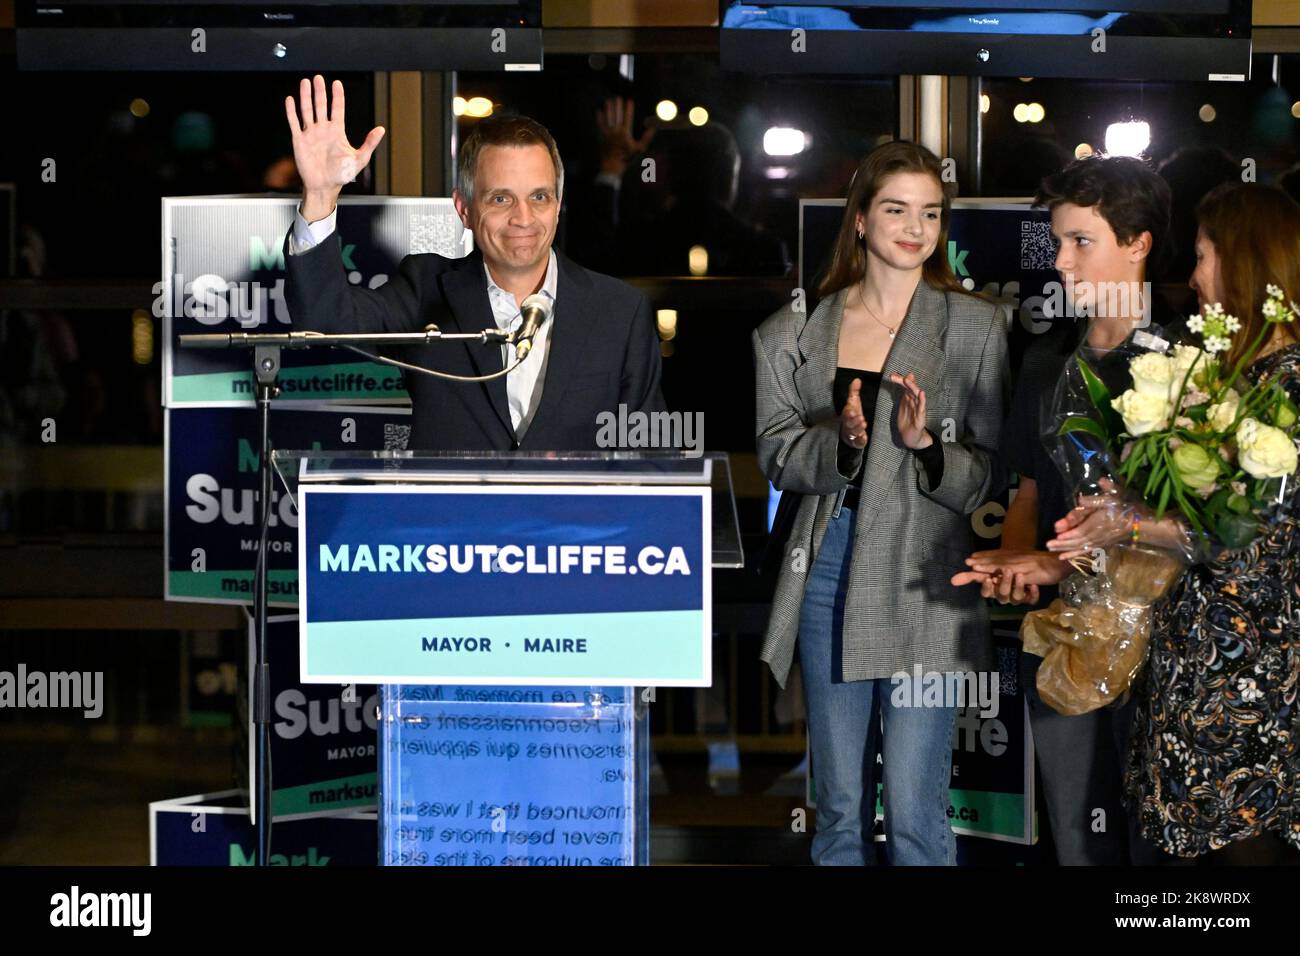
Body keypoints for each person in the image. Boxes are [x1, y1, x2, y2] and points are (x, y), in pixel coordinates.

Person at [753, 141, 1009, 865]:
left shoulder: (976, 328)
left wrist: (927, 446)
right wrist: (842, 442)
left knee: (915, 808)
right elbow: (777, 453)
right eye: (897, 209)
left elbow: (985, 475)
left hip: (925, 576)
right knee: (836, 806)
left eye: (931, 213)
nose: (915, 227)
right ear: (861, 220)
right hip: (827, 567)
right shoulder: (795, 332)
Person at [1057, 182, 1300, 863]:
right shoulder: (1235, 376)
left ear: (1245, 260)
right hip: (1202, 677)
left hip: (1252, 694)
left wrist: (1126, 528)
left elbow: (1250, 540)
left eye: (1202, 256)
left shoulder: (1288, 384)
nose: (1192, 277)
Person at [952, 155, 1173, 864]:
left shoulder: (1189, 360)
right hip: (1066, 639)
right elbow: (1025, 490)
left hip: (1166, 648)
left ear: (1138, 243)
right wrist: (1016, 562)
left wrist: (1049, 560)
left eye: (1083, 241)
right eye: (1058, 242)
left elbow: (1193, 524)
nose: (1063, 261)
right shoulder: (1048, 358)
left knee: (1155, 844)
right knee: (1077, 838)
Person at [280, 75, 665, 452]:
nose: (523, 218)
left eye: (539, 197)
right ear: (463, 209)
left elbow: (649, 455)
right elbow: (323, 324)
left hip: (578, 517)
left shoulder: (620, 311)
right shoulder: (425, 289)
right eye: (501, 199)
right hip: (450, 516)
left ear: (559, 206)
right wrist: (320, 195)